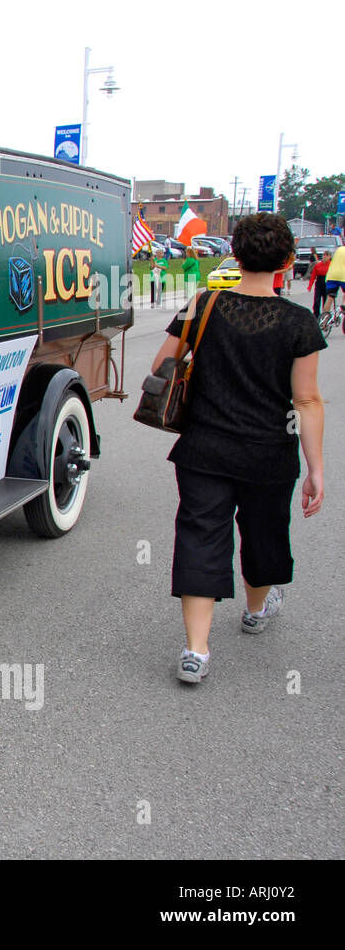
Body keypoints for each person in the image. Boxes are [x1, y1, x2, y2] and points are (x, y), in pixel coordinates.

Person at [149, 214, 325, 685]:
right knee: (264, 533)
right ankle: (255, 608)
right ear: (289, 261)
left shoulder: (202, 305)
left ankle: (196, 651)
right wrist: (316, 469)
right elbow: (306, 399)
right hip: (270, 453)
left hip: (203, 448)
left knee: (201, 535)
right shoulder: (299, 322)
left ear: (235, 255)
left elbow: (163, 364)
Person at [306, 250, 331, 319]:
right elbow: (313, 276)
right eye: (324, 255)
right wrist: (310, 286)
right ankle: (316, 315)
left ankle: (325, 315)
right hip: (319, 284)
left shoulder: (331, 265)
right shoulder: (318, 265)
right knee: (317, 301)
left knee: (325, 301)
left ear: (329, 257)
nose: (324, 256)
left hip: (327, 284)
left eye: (326, 255)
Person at [325, 243, 345, 315]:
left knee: (330, 298)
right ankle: (344, 304)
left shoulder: (339, 249)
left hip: (331, 275)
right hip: (343, 276)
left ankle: (324, 320)